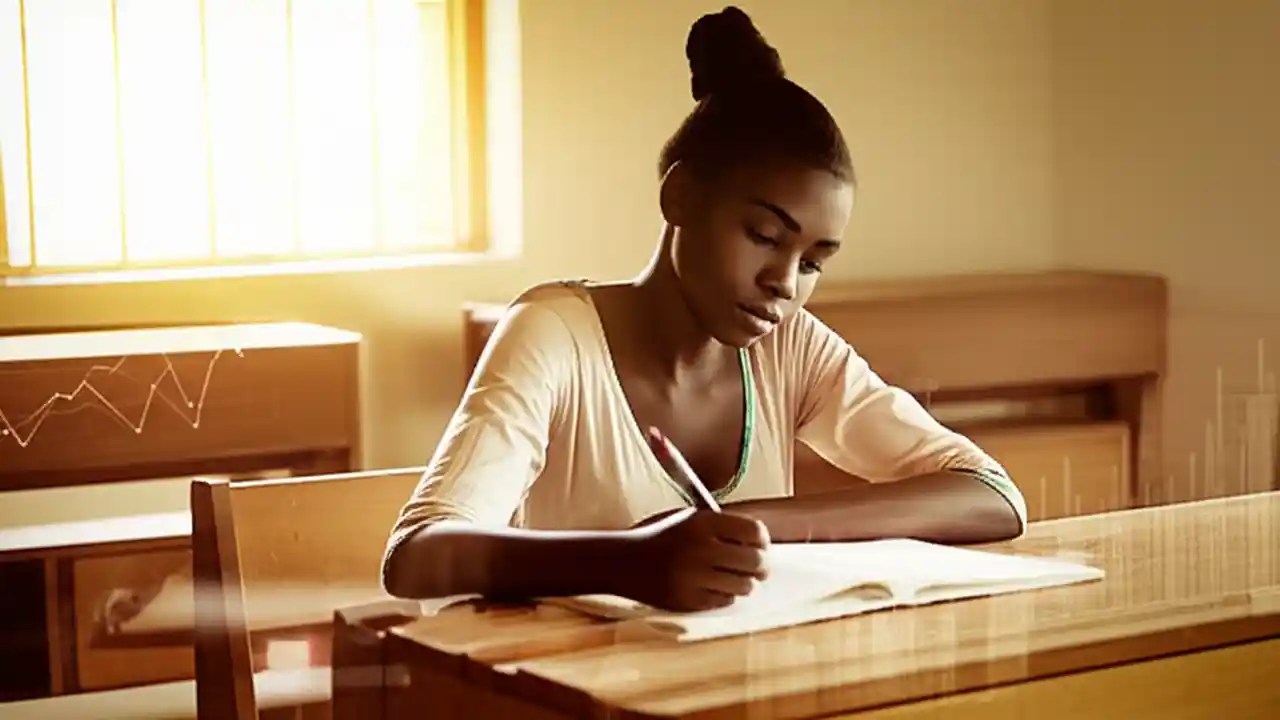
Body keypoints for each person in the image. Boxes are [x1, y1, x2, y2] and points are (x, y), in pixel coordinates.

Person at [382, 6, 1026, 613]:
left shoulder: (789, 348)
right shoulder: (554, 335)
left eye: (813, 262)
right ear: (681, 197)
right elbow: (417, 555)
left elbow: (992, 496)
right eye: (765, 237)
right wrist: (626, 560)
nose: (784, 282)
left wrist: (758, 528)